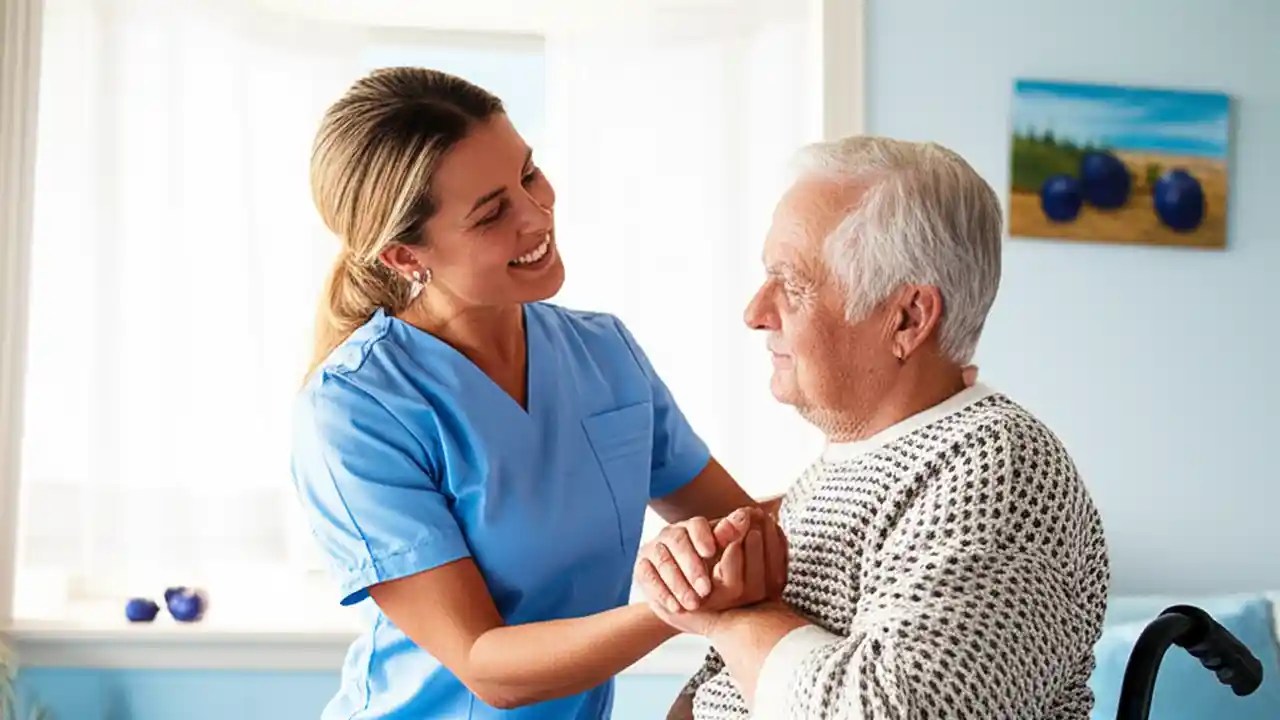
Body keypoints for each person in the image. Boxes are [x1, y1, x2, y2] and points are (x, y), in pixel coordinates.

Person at [288, 67, 785, 719]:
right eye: (492, 212)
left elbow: (740, 527)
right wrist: (681, 607)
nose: (536, 214)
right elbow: (487, 666)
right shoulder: (357, 409)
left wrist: (894, 469)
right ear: (407, 258)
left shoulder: (605, 353)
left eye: (528, 174)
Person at [635, 136, 1111, 719]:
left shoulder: (1000, 469)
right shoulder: (835, 473)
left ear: (907, 319)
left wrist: (734, 618)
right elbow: (723, 689)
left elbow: (896, 712)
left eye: (793, 283)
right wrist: (708, 595)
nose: (756, 312)